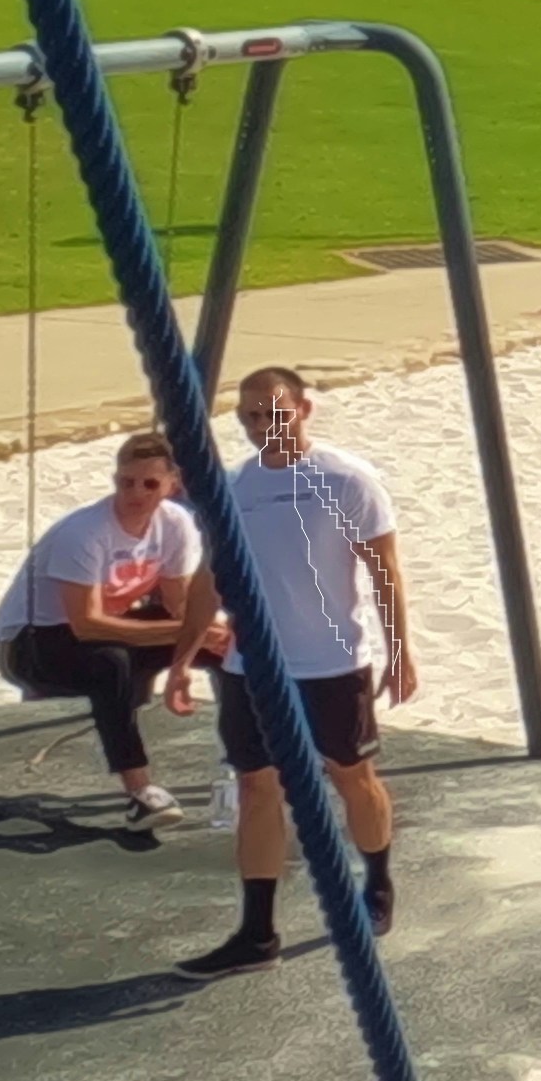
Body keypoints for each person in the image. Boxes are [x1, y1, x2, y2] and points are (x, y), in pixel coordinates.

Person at [169, 365, 418, 975]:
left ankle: (378, 882)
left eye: (272, 413)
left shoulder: (346, 480)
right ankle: (257, 933)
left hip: (331, 660)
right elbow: (208, 579)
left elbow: (383, 568)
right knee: (258, 785)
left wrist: (400, 651)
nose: (262, 426)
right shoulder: (237, 488)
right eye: (249, 416)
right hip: (253, 665)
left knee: (350, 775)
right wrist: (181, 660)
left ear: (302, 409)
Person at [0, 434, 204, 824]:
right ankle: (140, 793)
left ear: (173, 485)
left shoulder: (175, 524)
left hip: (101, 630)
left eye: (150, 484)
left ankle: (265, 759)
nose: (136, 493)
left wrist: (191, 653)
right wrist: (187, 633)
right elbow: (86, 625)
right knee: (111, 661)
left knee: (228, 643)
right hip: (35, 643)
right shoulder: (85, 532)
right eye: (126, 482)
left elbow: (180, 606)